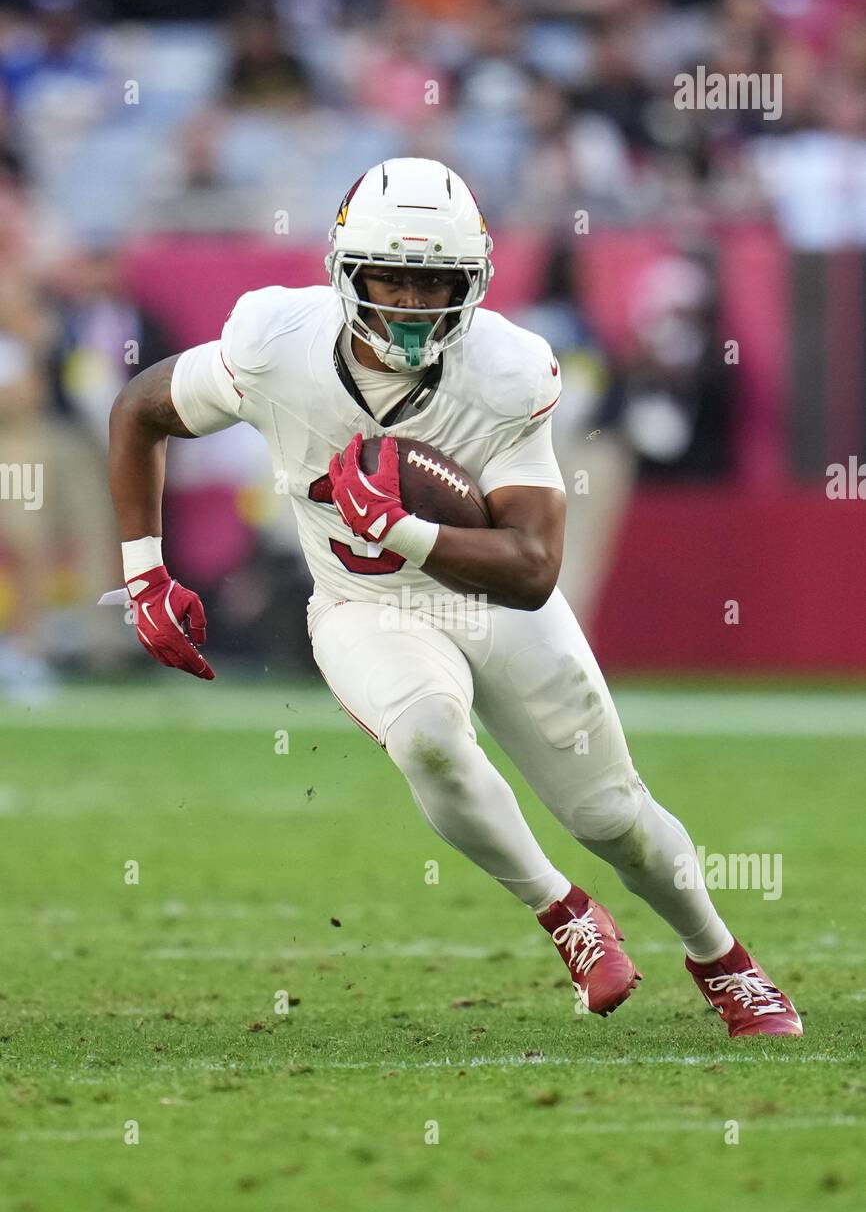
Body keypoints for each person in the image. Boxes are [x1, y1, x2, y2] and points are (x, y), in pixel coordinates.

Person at [107, 157, 801, 1038]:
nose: (409, 300)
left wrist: (401, 528)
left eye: (433, 279)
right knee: (429, 733)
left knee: (611, 814)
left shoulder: (507, 370)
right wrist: (144, 571)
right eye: (390, 275)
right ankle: (567, 916)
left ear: (469, 282)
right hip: (365, 610)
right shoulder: (274, 342)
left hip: (487, 600)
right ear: (345, 273)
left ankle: (721, 958)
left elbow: (532, 566)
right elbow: (140, 409)